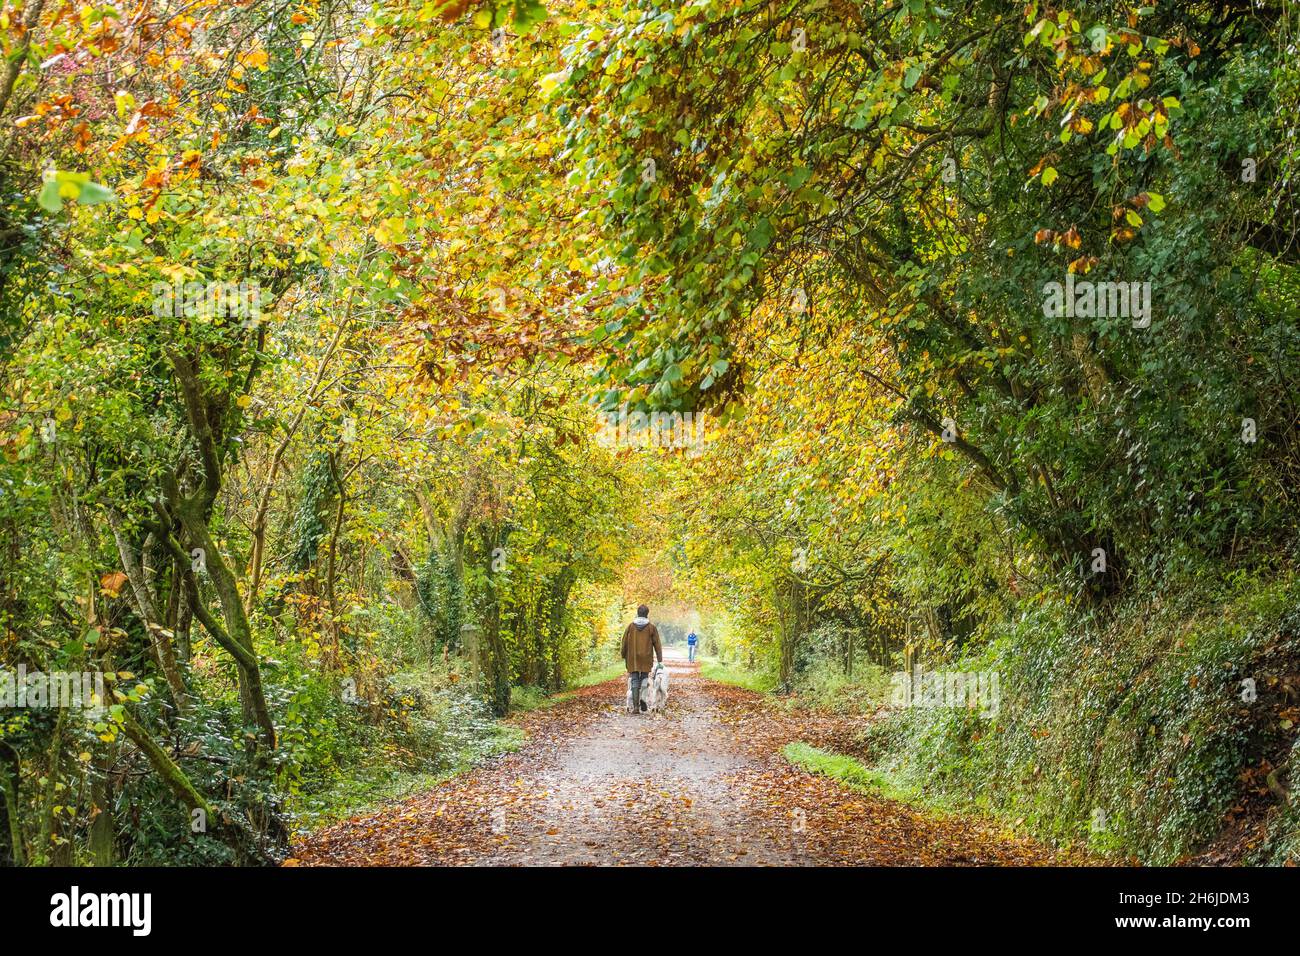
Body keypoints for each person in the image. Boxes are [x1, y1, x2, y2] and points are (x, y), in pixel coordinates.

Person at [621, 604, 663, 714]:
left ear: (638, 613)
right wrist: (659, 659)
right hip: (646, 657)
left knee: (634, 679)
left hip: (633, 657)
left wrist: (623, 654)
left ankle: (636, 707)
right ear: (647, 614)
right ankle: (642, 700)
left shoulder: (630, 626)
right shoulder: (651, 627)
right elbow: (657, 643)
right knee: (644, 678)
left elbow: (624, 641)